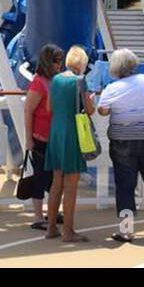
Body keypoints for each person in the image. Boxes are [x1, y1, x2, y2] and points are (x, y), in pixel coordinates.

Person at [96, 48, 144, 243]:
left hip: (123, 139)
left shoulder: (112, 88)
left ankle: (126, 231)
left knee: (125, 185)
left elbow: (103, 111)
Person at [45, 44, 95, 243]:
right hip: (72, 133)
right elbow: (90, 110)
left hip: (56, 131)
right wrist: (90, 100)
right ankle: (68, 231)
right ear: (81, 64)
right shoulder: (80, 81)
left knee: (56, 182)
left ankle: (51, 228)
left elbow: (49, 107)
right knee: (71, 185)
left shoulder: (55, 80)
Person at [24, 44, 64, 230]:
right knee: (40, 177)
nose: (60, 65)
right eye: (57, 62)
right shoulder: (39, 83)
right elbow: (28, 110)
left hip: (55, 137)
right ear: (49, 62)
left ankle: (52, 211)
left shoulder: (56, 80)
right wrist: (28, 138)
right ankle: (38, 216)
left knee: (54, 177)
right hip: (41, 137)